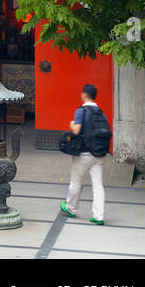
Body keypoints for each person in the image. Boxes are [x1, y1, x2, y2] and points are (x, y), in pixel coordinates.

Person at [60, 83, 106, 225]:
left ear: (85, 95)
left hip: (84, 154)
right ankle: (99, 216)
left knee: (76, 181)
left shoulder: (81, 111)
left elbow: (76, 130)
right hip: (99, 154)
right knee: (98, 185)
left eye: (82, 93)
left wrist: (72, 123)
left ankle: (70, 208)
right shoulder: (101, 112)